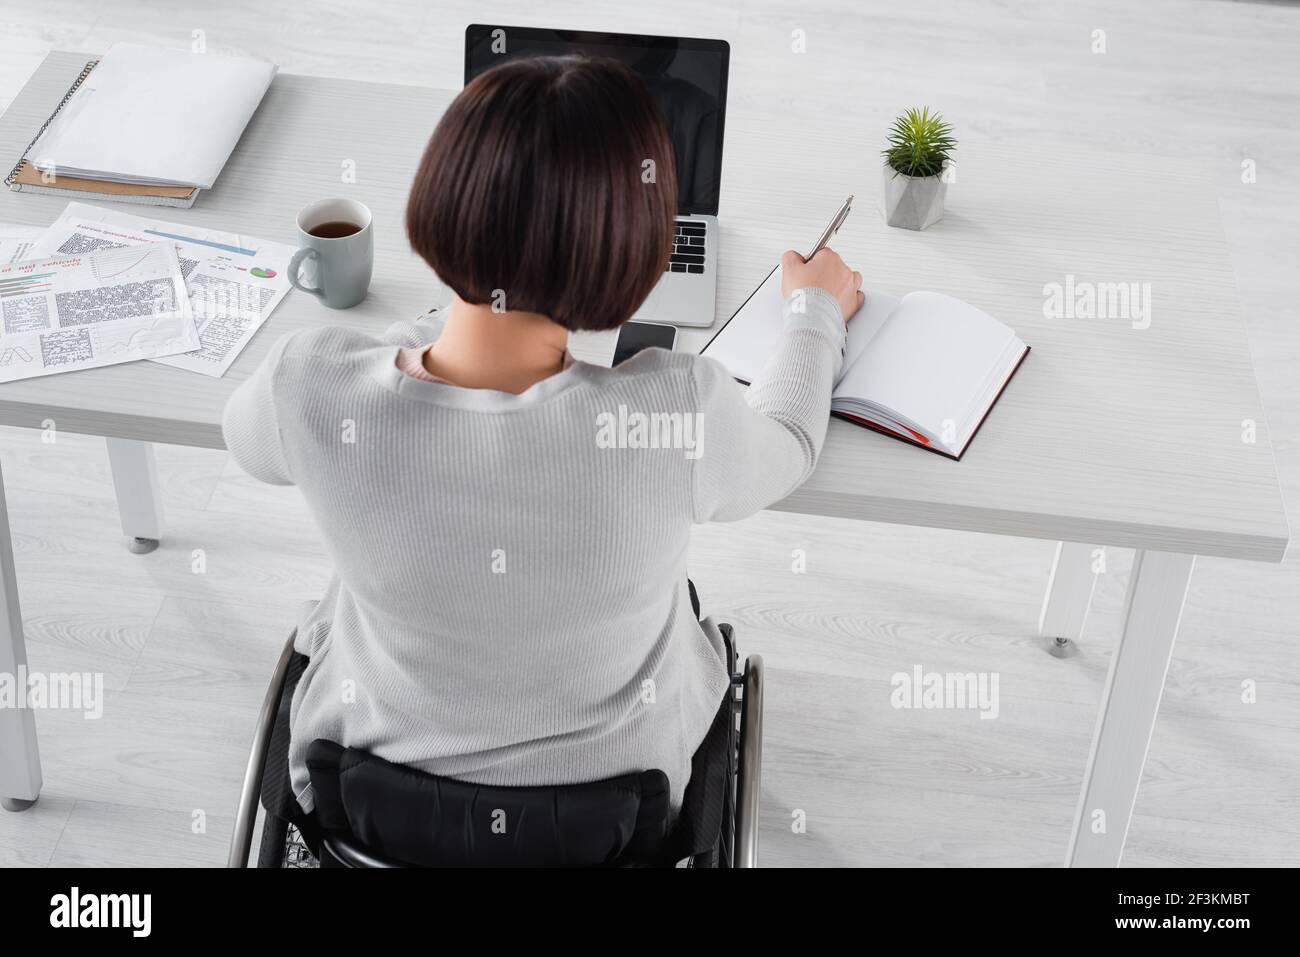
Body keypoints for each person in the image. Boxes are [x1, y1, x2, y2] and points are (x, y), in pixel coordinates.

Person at [222, 55, 863, 824]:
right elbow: (789, 438)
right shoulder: (676, 410)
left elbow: (245, 442)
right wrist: (813, 313)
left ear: (443, 194)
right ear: (635, 249)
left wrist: (424, 331)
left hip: (364, 796)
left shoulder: (312, 384)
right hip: (615, 813)